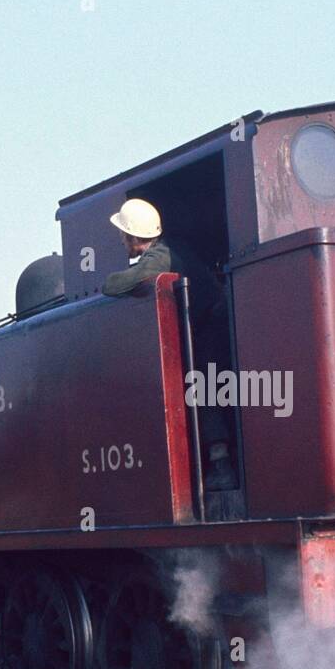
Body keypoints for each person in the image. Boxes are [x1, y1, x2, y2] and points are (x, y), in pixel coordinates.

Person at [104, 198, 236, 492]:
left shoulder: (158, 258)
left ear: (133, 237)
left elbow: (120, 284)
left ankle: (221, 467)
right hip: (216, 323)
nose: (121, 241)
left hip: (208, 328)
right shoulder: (175, 246)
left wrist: (105, 283)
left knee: (203, 390)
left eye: (123, 235)